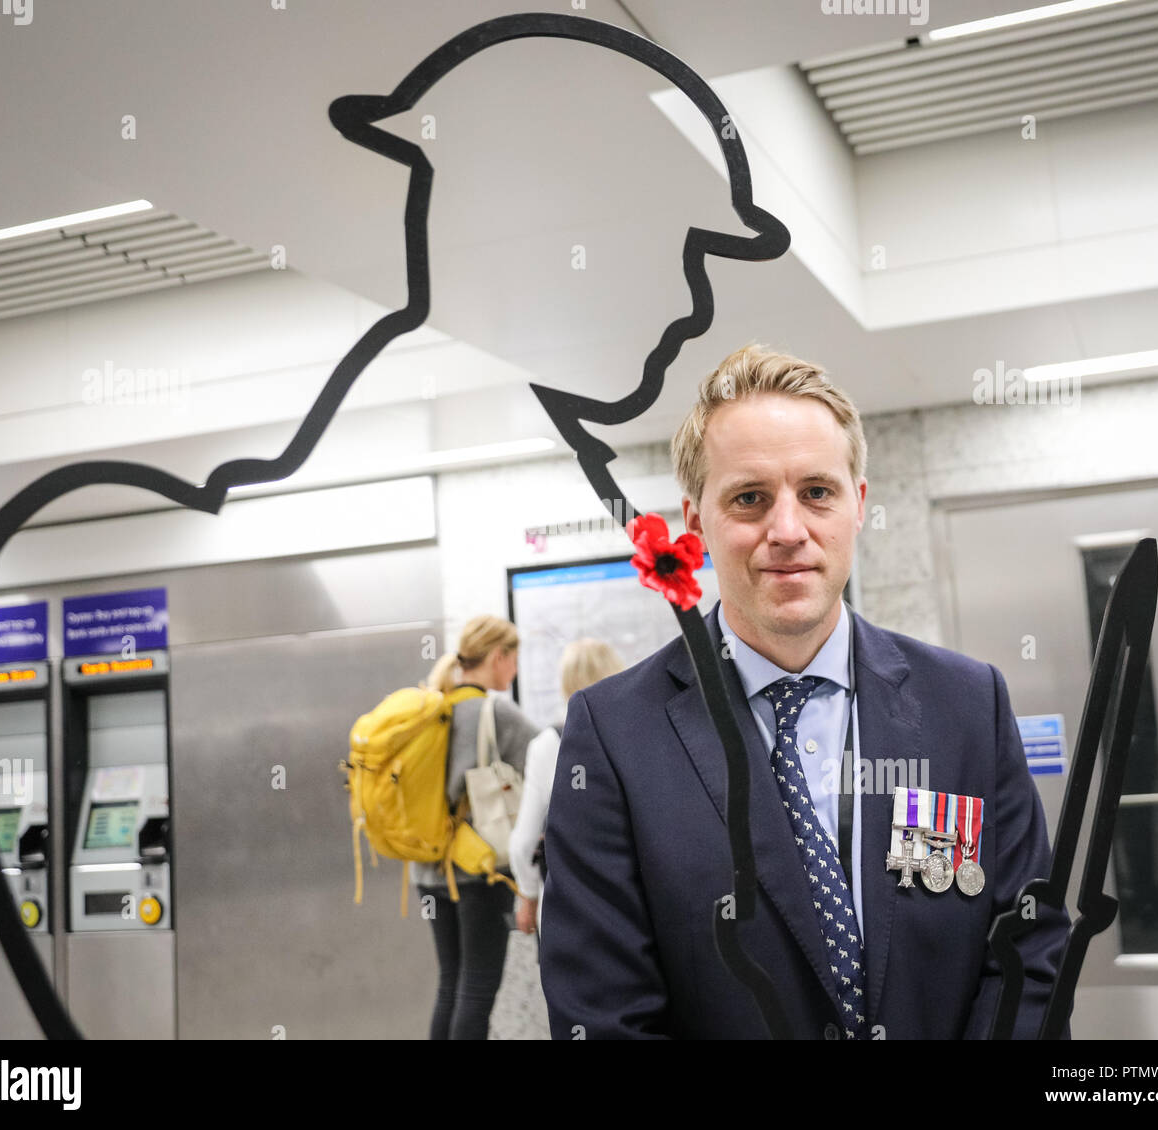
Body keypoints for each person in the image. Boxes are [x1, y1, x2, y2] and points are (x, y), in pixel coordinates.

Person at [538, 344, 1071, 1040]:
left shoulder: (967, 705)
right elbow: (602, 1012)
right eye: (750, 498)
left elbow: (1028, 949)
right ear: (696, 520)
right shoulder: (614, 736)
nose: (787, 531)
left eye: (817, 492)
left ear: (859, 506)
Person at [414, 614, 539, 1040]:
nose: (516, 669)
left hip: (428, 870)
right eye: (514, 658)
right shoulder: (494, 711)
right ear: (498, 656)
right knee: (478, 989)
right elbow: (549, 760)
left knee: (451, 984)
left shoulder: (432, 705)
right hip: (478, 870)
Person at [510, 638, 625, 943]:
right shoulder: (637, 736)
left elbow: (523, 842)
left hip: (567, 909)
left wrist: (529, 897)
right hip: (632, 906)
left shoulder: (548, 745)